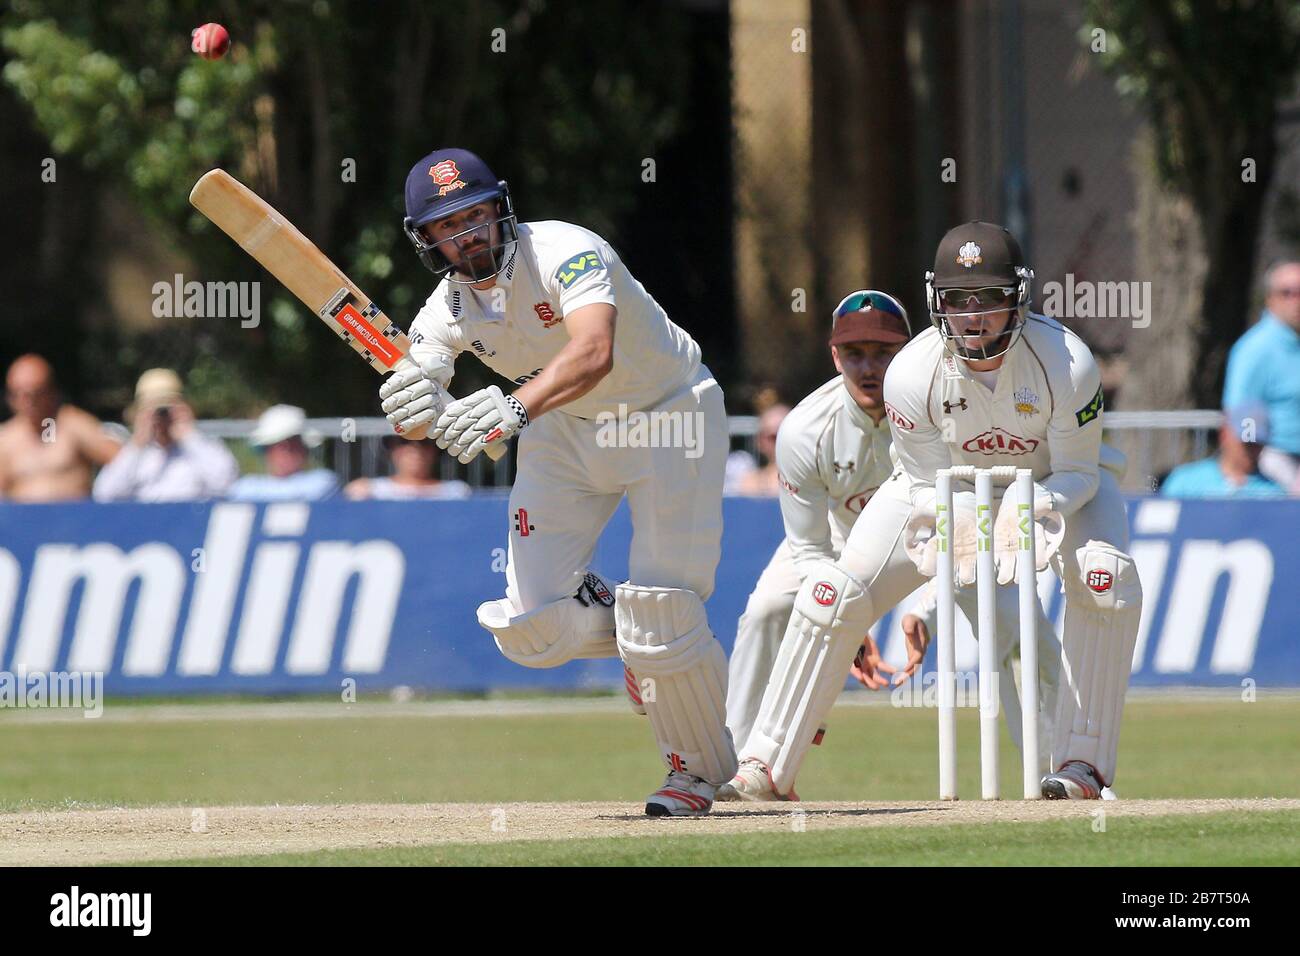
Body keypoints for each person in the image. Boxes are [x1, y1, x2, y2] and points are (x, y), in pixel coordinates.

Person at [379, 147, 734, 816]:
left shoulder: (569, 251)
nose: (467, 235)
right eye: (447, 227)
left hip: (664, 415)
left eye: (475, 216)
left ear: (500, 210)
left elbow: (594, 351)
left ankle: (695, 773)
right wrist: (414, 409)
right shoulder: (446, 307)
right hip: (566, 430)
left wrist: (512, 408)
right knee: (531, 631)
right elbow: (423, 385)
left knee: (663, 612)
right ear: (425, 238)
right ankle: (642, 637)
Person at [729, 222, 1138, 801]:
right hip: (942, 491)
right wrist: (960, 522)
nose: (973, 317)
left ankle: (1081, 768)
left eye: (989, 299)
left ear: (1018, 297)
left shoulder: (1066, 362)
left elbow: (1080, 471)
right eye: (957, 301)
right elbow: (920, 482)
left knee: (1106, 580)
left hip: (1057, 487)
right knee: (832, 595)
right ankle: (764, 765)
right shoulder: (911, 372)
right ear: (935, 302)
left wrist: (1032, 508)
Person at [720, 290, 1060, 800]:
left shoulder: (945, 401)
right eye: (854, 354)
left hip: (950, 530)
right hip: (838, 541)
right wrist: (850, 623)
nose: (868, 368)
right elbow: (810, 548)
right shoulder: (804, 430)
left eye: (883, 353)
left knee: (1009, 616)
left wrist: (926, 609)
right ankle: (748, 764)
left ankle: (1056, 769)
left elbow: (972, 504)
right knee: (769, 608)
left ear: (911, 351)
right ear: (835, 357)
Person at [93, 368, 238, 502]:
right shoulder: (133, 456)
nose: (161, 416)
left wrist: (188, 436)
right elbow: (104, 495)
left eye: (166, 408)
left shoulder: (201, 447)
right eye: (153, 409)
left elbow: (226, 483)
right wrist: (137, 443)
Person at [1222, 261, 1300, 492]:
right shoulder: (1256, 349)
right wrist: (1246, 465)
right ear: (1270, 299)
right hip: (1275, 458)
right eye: (1287, 293)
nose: (1296, 300)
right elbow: (1242, 413)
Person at [0, 354, 121, 501]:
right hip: (24, 521)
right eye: (20, 394)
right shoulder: (5, 439)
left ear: (51, 392)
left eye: (36, 393)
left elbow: (124, 462)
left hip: (75, 520)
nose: (29, 402)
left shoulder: (75, 425)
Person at [1161, 405, 1284, 498]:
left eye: (1257, 442)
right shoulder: (1184, 482)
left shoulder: (1273, 494)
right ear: (1224, 434)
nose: (1251, 449)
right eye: (1245, 442)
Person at [228, 405, 340, 501]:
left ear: (304, 447)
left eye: (293, 441)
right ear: (265, 448)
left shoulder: (322, 482)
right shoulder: (246, 488)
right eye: (278, 444)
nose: (286, 450)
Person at [345, 435, 471, 500]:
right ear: (391, 448)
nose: (415, 448)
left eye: (424, 442)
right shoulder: (371, 490)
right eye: (404, 441)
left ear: (435, 449)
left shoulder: (456, 492)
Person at [730, 402, 790, 497]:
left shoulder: (810, 482)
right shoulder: (748, 483)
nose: (781, 442)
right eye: (773, 437)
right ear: (760, 441)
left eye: (785, 436)